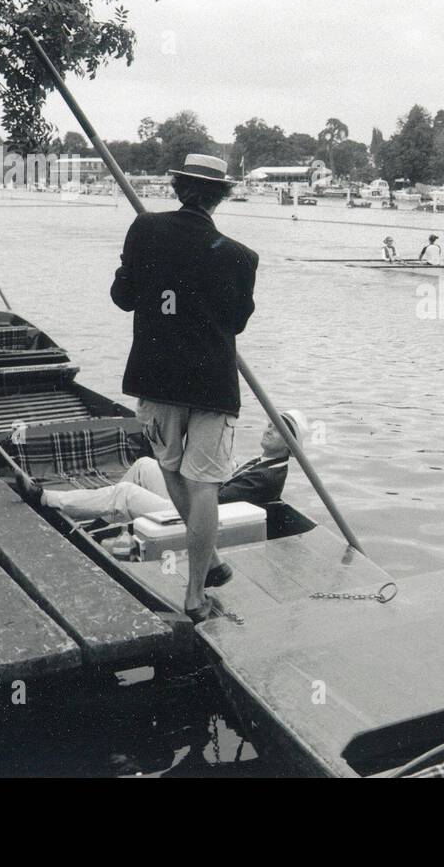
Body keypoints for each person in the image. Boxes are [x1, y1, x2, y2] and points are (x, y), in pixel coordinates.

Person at [109, 153, 256, 623]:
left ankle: (207, 563)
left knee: (170, 468)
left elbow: (123, 297)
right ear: (222, 195)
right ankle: (198, 587)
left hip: (158, 376)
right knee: (205, 484)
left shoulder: (144, 230)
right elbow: (236, 323)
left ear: (176, 187)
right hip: (213, 383)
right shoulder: (240, 257)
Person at [29, 413, 305, 528]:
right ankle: (104, 519)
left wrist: (200, 473)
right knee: (144, 466)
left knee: (125, 493)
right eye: (271, 423)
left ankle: (47, 499)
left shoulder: (267, 475)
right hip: (198, 501)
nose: (269, 428)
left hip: (197, 517)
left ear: (290, 448)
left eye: (279, 430)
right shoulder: (264, 463)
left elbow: (216, 497)